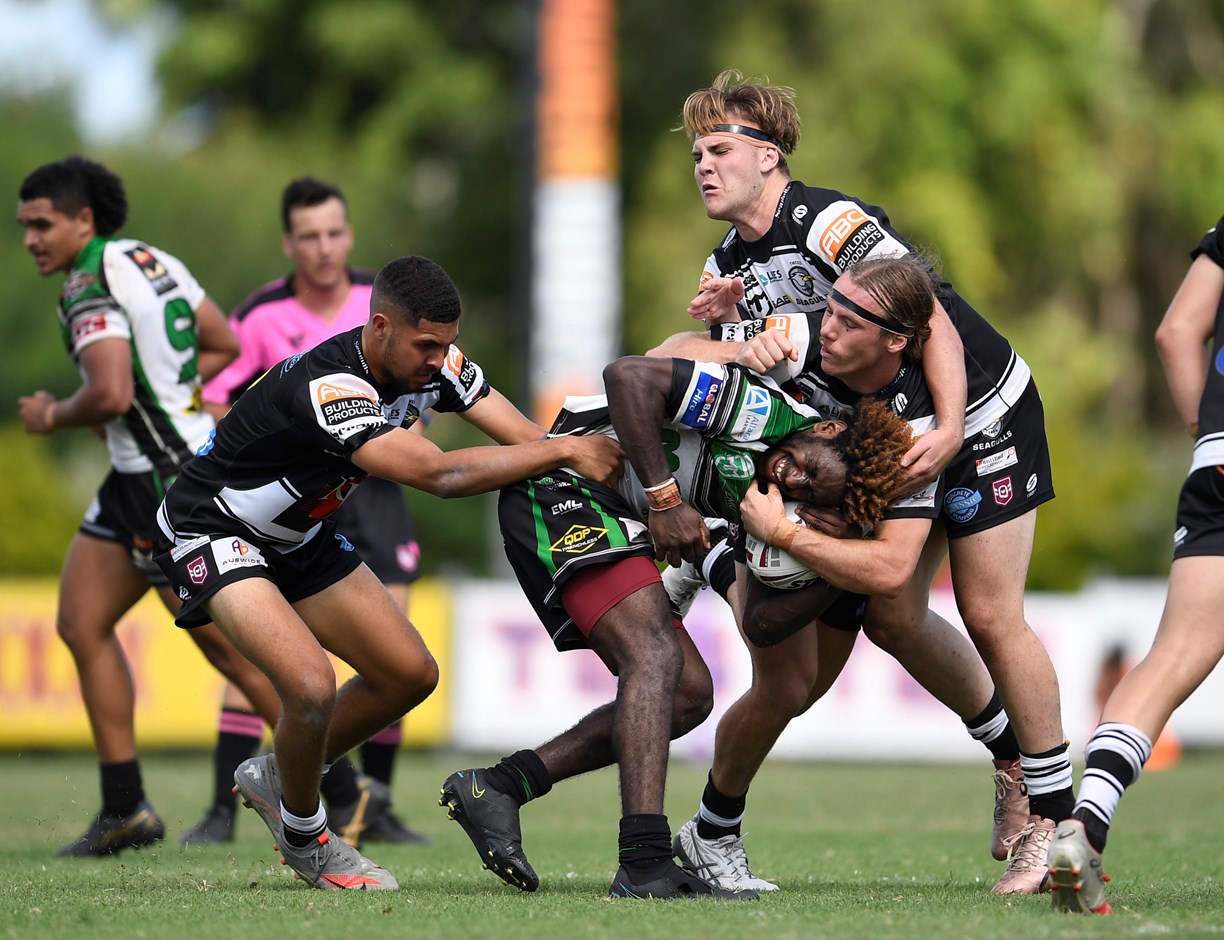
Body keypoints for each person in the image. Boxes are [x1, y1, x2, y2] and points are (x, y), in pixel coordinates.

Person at [652, 72, 1071, 895]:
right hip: (879, 441)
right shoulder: (728, 265)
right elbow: (734, 370)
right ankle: (1009, 756)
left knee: (989, 611)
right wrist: (726, 330)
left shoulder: (829, 221)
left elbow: (934, 316)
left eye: (720, 149)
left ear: (769, 157)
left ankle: (1051, 821)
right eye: (696, 153)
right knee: (861, 637)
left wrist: (949, 425)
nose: (703, 165)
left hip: (977, 416)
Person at [154, 254, 622, 891]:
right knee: (312, 684)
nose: (439, 360)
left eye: (447, 346)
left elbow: (524, 440)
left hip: (296, 534)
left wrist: (610, 481)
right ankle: (307, 837)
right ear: (379, 328)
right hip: (212, 527)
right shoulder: (332, 386)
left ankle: (279, 775)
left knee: (409, 674)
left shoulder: (439, 363)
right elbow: (440, 475)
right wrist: (566, 448)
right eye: (426, 345)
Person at [438, 328, 914, 901]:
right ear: (828, 429)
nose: (796, 481)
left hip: (613, 513)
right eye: (811, 469)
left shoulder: (779, 508)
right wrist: (666, 499)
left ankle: (498, 787)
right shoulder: (765, 412)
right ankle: (644, 865)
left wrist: (821, 564)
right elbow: (627, 377)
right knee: (654, 657)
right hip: (564, 483)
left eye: (815, 494)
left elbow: (761, 623)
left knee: (688, 694)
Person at [15, 156, 284, 859]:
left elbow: (105, 395)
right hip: (153, 467)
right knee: (81, 620)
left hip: (166, 483)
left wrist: (52, 414)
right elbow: (222, 342)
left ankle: (331, 790)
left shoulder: (85, 284)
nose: (30, 239)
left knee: (235, 652)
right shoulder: (150, 258)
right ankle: (125, 808)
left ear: (83, 220)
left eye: (42, 225)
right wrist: (171, 396)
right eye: (23, 227)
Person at [180, 176, 427, 849]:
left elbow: (430, 416)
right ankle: (224, 806)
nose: (323, 248)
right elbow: (221, 398)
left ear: (349, 235)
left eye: (334, 233)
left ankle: (376, 804)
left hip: (374, 491)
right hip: (281, 497)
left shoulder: (390, 302)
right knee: (281, 662)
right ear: (289, 244)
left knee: (399, 653)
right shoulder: (260, 314)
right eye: (309, 236)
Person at [1045, 215, 1224, 915]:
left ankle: (1085, 827)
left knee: (1172, 655)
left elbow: (1176, 331)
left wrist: (1204, 435)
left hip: (1215, 461)